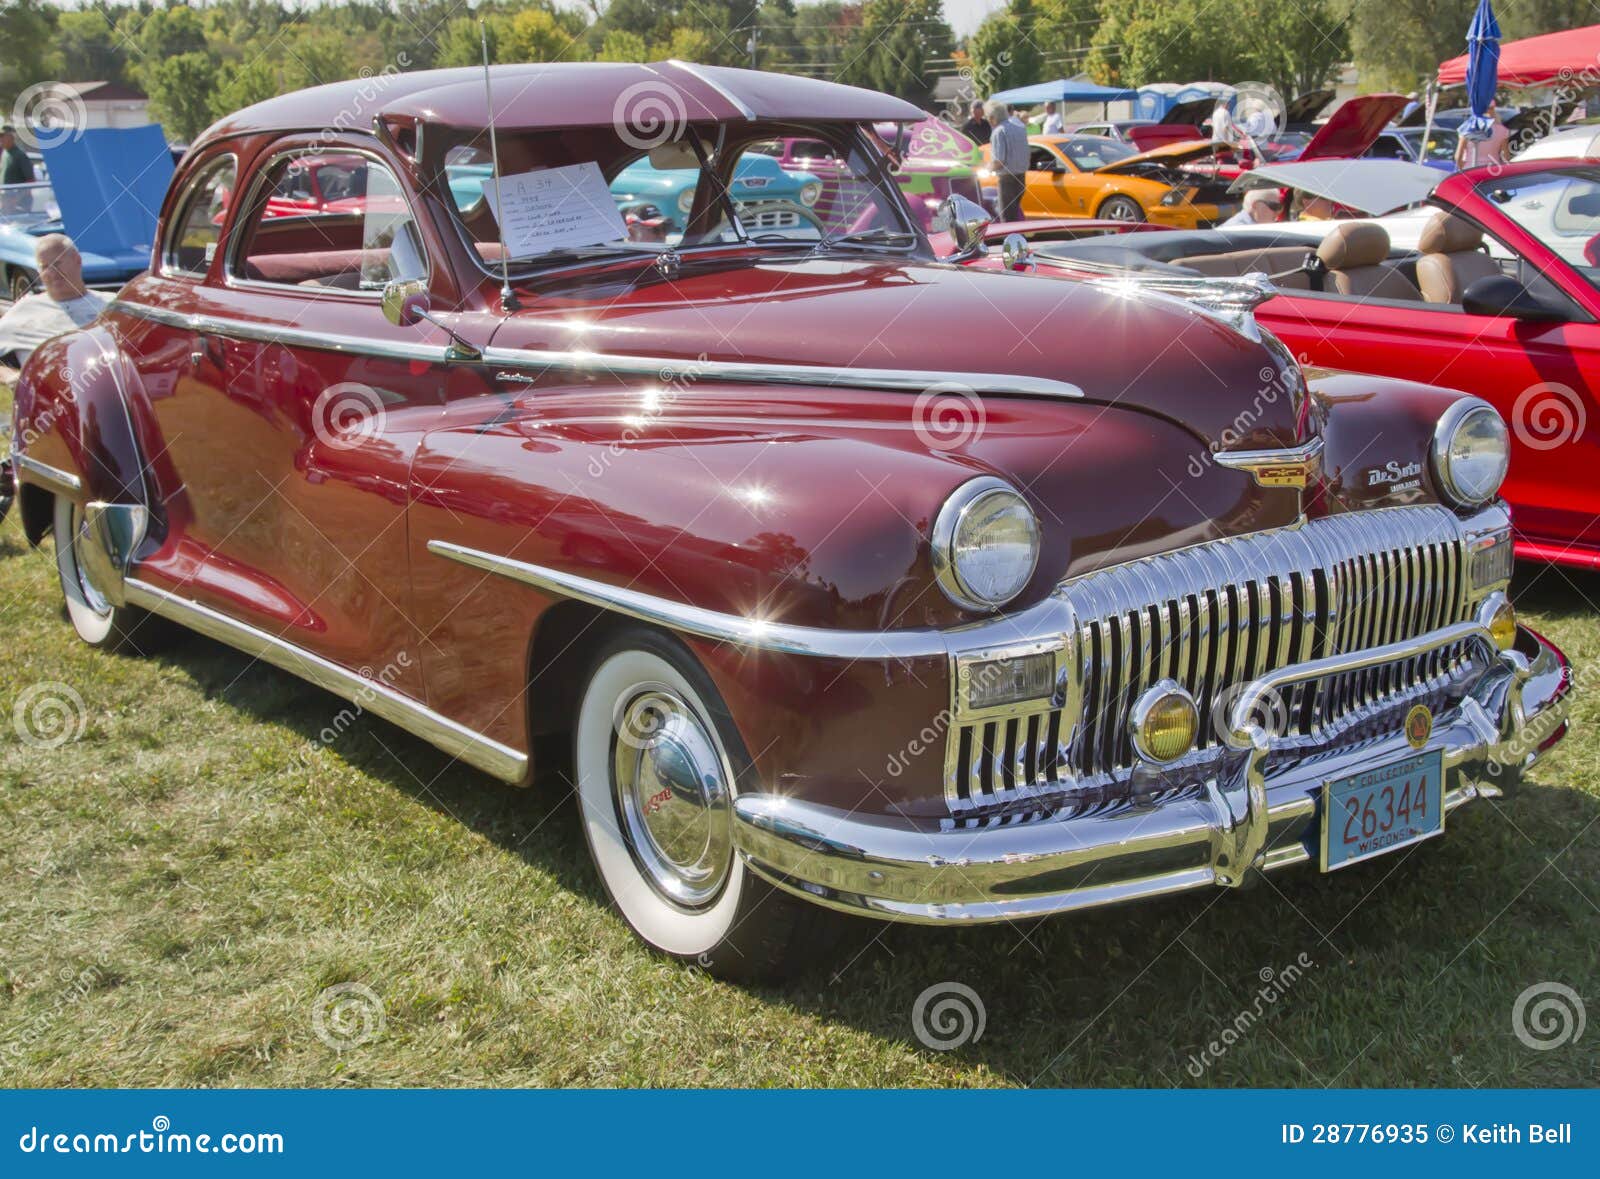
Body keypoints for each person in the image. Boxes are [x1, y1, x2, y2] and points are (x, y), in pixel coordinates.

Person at [0, 235, 109, 379]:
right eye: (45, 267)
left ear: (77, 260)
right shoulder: (23, 311)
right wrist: (12, 377)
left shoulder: (112, 304)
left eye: (57, 264)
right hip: (51, 385)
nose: (52, 273)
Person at [987, 101, 1028, 222]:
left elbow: (999, 161)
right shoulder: (1020, 128)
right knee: (1015, 215)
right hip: (1021, 177)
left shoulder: (999, 132)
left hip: (1007, 179)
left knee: (1007, 218)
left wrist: (987, 168)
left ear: (993, 117)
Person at [1456, 102, 1511, 169]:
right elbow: (1505, 157)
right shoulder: (1502, 130)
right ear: (1493, 109)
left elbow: (1458, 157)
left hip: (1470, 169)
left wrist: (1463, 168)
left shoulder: (1467, 128)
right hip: (1493, 169)